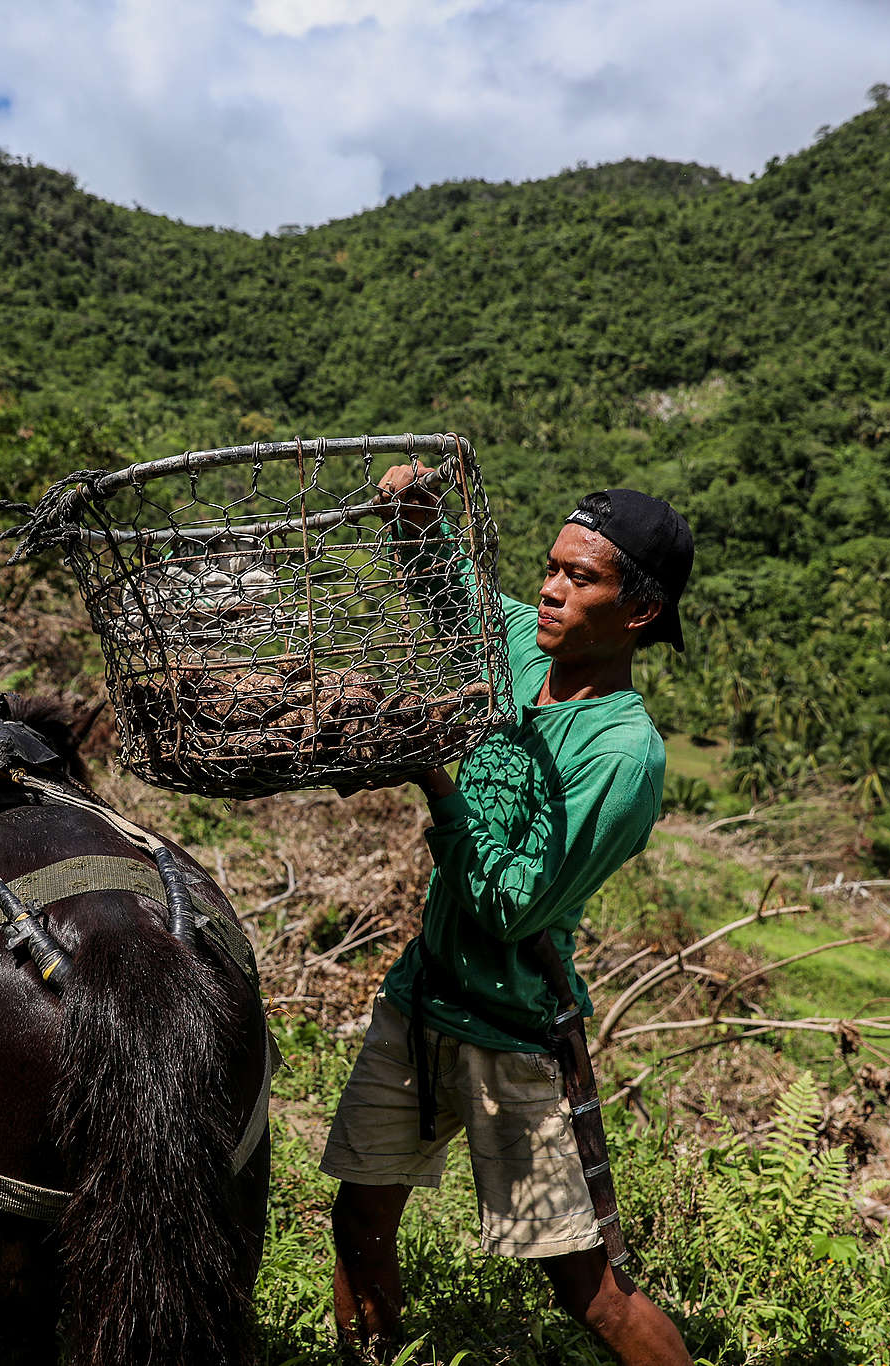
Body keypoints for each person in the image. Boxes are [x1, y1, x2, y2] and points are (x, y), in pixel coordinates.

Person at [321, 468, 695, 1365]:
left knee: (589, 1289)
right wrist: (418, 518)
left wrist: (433, 776)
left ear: (639, 612)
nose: (551, 589)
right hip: (422, 1002)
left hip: (513, 1034)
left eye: (581, 578)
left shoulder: (622, 754)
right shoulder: (527, 653)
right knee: (359, 1216)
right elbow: (457, 593)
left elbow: (511, 906)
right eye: (551, 568)